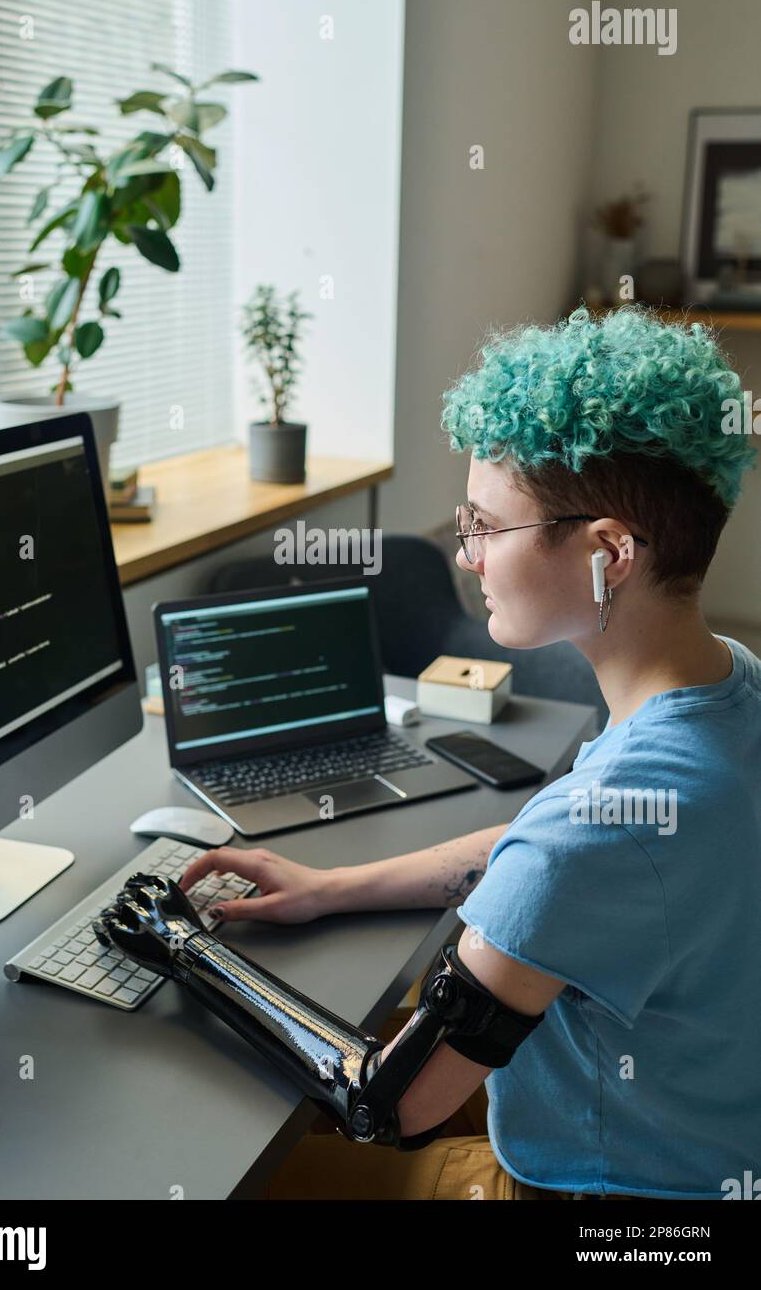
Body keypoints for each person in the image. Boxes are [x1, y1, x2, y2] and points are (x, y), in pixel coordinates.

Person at [177, 304, 761, 1200]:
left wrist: (177, 942)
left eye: (488, 526)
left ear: (610, 553)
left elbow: (385, 1106)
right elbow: (561, 844)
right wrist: (335, 888)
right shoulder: (729, 688)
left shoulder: (594, 834)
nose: (468, 556)